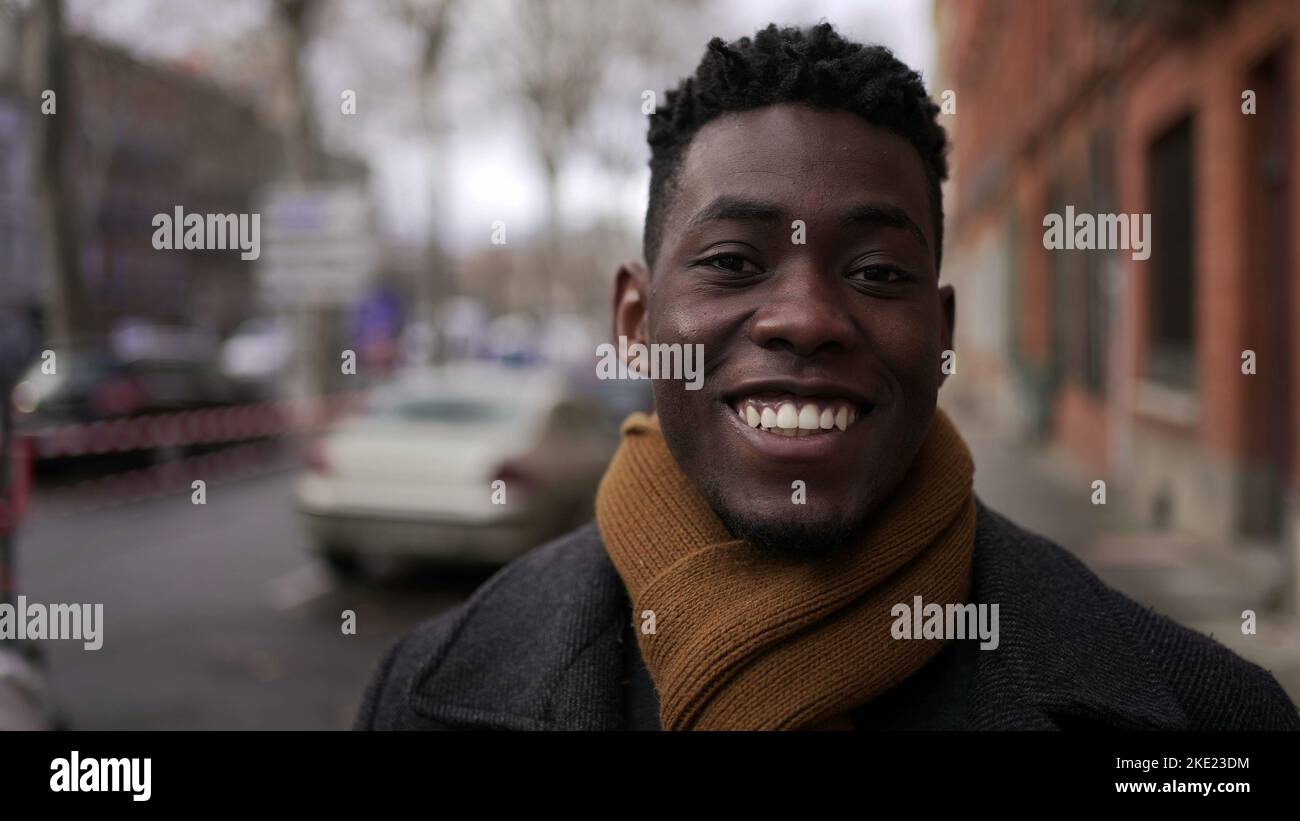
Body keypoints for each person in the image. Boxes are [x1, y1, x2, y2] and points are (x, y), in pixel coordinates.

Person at [355, 22, 1299, 731]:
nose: (805, 318)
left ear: (941, 332)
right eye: (733, 260)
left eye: (879, 272)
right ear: (636, 322)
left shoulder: (1204, 724)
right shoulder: (426, 693)